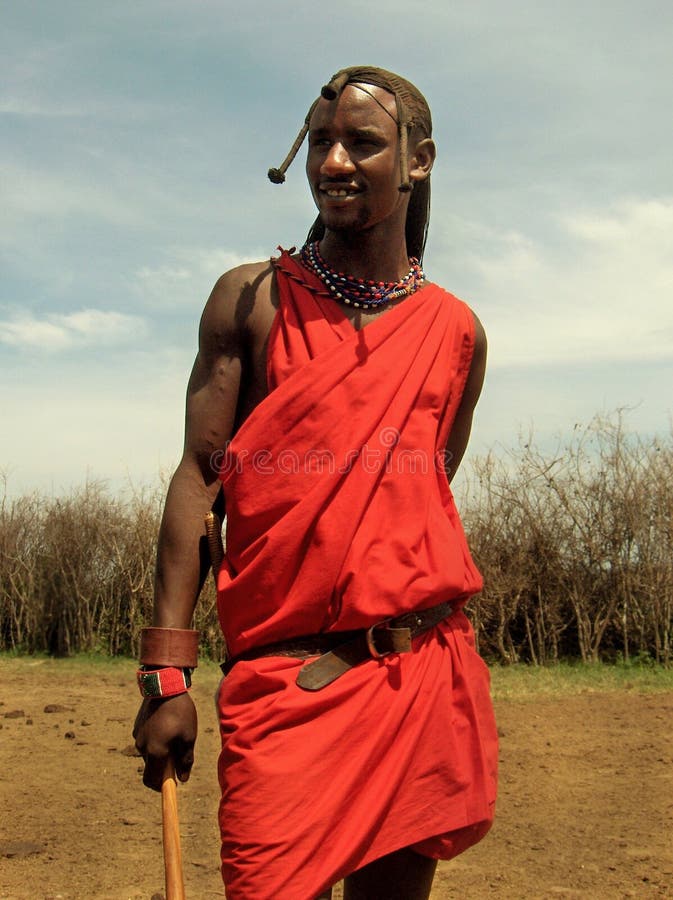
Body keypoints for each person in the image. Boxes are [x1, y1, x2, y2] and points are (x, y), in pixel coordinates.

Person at [134, 65, 498, 900]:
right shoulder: (249, 302)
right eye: (319, 143)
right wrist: (166, 672)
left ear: (418, 161)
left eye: (361, 143)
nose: (333, 162)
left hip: (418, 676)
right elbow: (198, 480)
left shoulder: (456, 333)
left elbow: (423, 491)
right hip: (284, 686)